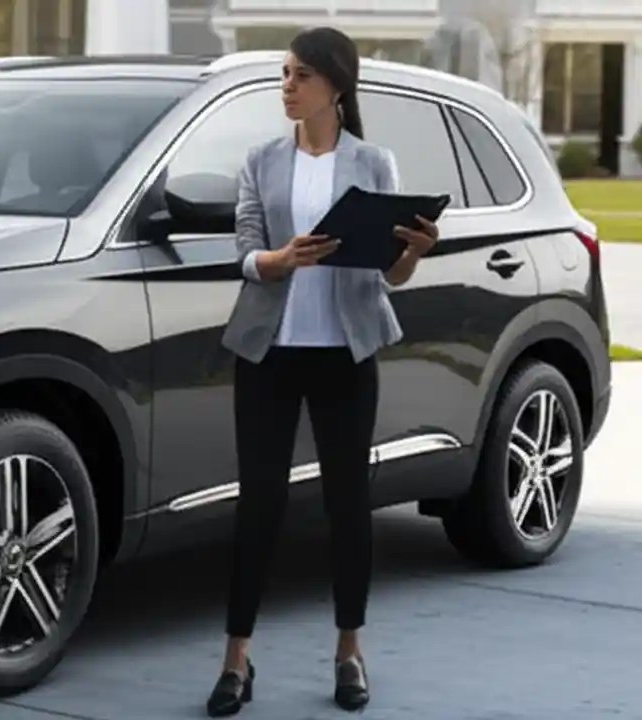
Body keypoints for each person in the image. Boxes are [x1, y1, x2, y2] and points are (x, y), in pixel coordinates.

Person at [205, 27, 440, 717]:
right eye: (284, 74)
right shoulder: (262, 160)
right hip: (269, 354)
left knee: (347, 506)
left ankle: (349, 652)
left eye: (300, 75)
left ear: (336, 86)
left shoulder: (373, 163)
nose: (287, 86)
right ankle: (236, 659)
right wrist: (279, 261)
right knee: (259, 506)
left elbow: (389, 273)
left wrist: (415, 251)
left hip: (345, 353)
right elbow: (245, 251)